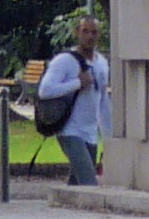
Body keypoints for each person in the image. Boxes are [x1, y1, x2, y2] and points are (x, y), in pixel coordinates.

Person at [37, 14, 111, 187]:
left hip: (90, 133)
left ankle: (66, 211)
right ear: (77, 33)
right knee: (89, 182)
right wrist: (78, 83)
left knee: (77, 184)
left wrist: (109, 137)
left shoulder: (101, 63)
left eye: (94, 32)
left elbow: (102, 100)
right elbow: (45, 90)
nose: (89, 36)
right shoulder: (64, 61)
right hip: (70, 130)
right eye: (85, 31)